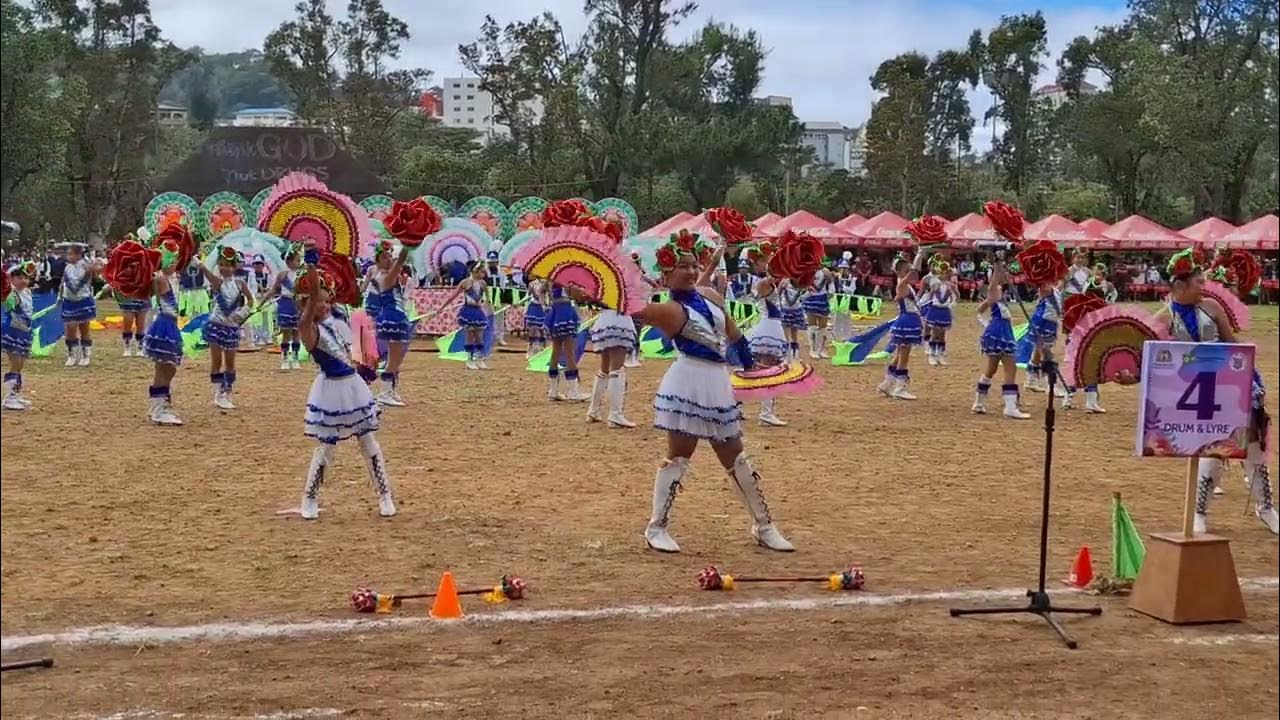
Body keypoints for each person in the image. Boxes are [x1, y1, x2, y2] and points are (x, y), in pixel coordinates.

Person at [639, 233, 793, 553]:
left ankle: (764, 526)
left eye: (694, 265)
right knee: (679, 457)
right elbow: (633, 310)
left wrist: (752, 368)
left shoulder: (710, 295)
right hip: (688, 382)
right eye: (683, 266)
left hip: (718, 382)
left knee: (737, 458)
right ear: (666, 273)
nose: (692, 271)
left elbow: (734, 335)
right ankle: (656, 527)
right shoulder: (668, 309)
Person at [1153, 249, 1277, 535]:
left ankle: (1266, 506)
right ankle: (1198, 511)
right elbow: (1152, 361)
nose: (1203, 287)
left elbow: (1234, 345)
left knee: (1252, 442)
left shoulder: (1212, 307)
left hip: (1226, 386)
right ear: (1180, 285)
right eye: (1198, 282)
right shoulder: (1164, 318)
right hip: (1192, 395)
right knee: (1211, 446)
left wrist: (1249, 376)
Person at [295, 263, 395, 520]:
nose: (325, 306)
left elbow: (355, 347)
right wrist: (311, 262)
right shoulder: (308, 328)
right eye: (320, 302)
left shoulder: (336, 321)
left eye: (328, 301)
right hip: (329, 390)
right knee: (326, 447)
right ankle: (309, 496)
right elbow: (310, 309)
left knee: (368, 441)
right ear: (308, 303)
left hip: (353, 386)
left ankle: (385, 494)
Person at [973, 262, 1030, 419]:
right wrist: (997, 265)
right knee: (1011, 368)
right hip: (999, 334)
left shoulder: (1000, 299)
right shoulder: (992, 293)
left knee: (991, 370)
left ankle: (979, 402)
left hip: (1001, 332)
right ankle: (1010, 407)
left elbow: (980, 309)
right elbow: (994, 283)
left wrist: (1002, 265)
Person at [140, 242, 188, 426]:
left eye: (176, 259)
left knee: (169, 367)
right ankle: (160, 407)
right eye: (171, 259)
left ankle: (157, 405)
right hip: (164, 324)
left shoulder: (175, 277)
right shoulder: (159, 279)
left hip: (171, 324)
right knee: (165, 366)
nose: (174, 263)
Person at [200, 247, 253, 410]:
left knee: (230, 363)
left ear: (235, 266)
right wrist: (198, 263)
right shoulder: (217, 281)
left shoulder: (240, 283)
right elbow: (204, 270)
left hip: (232, 327)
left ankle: (227, 392)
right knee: (216, 361)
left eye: (229, 265)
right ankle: (218, 394)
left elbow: (251, 301)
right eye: (222, 264)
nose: (225, 268)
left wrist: (243, 313)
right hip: (216, 325)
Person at [743, 244, 790, 427]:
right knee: (768, 369)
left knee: (761, 369)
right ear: (757, 264)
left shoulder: (764, 281)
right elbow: (776, 278)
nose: (769, 263)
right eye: (765, 261)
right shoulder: (763, 283)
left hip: (771, 325)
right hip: (769, 327)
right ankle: (765, 413)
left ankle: (738, 406)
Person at [369, 240, 413, 406]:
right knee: (394, 358)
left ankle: (391, 390)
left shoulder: (386, 276)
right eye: (385, 257)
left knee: (397, 357)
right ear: (378, 261)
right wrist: (409, 241)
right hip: (392, 316)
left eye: (389, 256)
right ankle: (385, 392)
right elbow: (400, 261)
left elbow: (399, 263)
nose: (389, 259)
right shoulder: (384, 277)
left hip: (397, 315)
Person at [877, 251, 925, 400]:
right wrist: (920, 253)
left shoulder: (904, 285)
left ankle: (887, 384)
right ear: (898, 272)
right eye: (905, 271)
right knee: (904, 357)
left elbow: (913, 272)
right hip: (907, 321)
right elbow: (914, 272)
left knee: (899, 356)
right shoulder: (902, 284)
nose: (908, 273)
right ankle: (900, 388)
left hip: (909, 319)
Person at [432, 262, 493, 370]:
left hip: (478, 311)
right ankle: (469, 359)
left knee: (479, 336)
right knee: (470, 335)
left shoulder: (483, 283)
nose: (483, 274)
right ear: (475, 271)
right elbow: (453, 296)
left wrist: (489, 310)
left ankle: (479, 358)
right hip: (468, 311)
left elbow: (488, 299)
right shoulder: (465, 282)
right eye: (481, 271)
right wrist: (441, 308)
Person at [257, 244, 305, 371]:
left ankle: (295, 358)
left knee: (296, 334)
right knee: (286, 334)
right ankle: (284, 358)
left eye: (299, 260)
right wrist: (261, 303)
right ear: (288, 261)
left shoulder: (302, 275)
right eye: (296, 260)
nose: (298, 262)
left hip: (298, 306)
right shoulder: (283, 275)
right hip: (285, 305)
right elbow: (273, 291)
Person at [59, 242, 104, 367]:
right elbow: (63, 282)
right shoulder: (67, 267)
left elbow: (99, 269)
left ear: (79, 254)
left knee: (84, 328)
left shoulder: (86, 265)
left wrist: (94, 264)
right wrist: (59, 296)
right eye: (68, 254)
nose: (69, 256)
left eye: (71, 254)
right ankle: (72, 355)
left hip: (83, 300)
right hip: (68, 300)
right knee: (70, 329)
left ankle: (86, 355)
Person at [2, 262, 37, 411]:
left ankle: (15, 395)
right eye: (20, 277)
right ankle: (9, 397)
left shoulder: (27, 293)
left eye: (26, 278)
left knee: (20, 363)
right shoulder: (12, 294)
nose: (24, 280)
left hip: (23, 332)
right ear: (12, 279)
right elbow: (8, 306)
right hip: (12, 332)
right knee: (16, 363)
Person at [922, 259, 956, 366]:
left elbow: (955, 296)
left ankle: (940, 355)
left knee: (942, 335)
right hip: (936, 309)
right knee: (935, 332)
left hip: (945, 310)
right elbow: (930, 297)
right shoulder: (935, 283)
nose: (944, 275)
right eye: (942, 272)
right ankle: (932, 355)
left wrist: (951, 303)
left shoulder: (950, 285)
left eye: (946, 273)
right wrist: (924, 305)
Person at [803, 264, 834, 358]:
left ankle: (821, 349)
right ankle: (812, 349)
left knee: (823, 325)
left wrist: (831, 292)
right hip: (810, 298)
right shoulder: (806, 270)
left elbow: (831, 283)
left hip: (823, 298)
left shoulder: (825, 271)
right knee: (812, 325)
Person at [524, 277, 548, 360]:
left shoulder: (546, 283)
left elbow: (547, 295)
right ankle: (530, 348)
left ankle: (542, 348)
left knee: (541, 329)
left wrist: (546, 305)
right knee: (531, 329)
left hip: (542, 307)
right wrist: (521, 303)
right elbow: (528, 295)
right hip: (533, 306)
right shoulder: (531, 283)